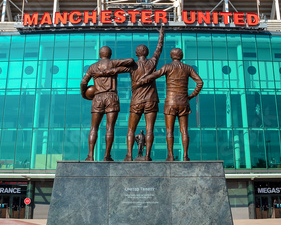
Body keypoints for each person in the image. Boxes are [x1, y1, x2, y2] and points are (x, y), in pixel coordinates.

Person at [138, 46, 203, 161]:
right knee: (184, 130)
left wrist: (143, 79)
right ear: (181, 56)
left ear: (171, 56)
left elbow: (156, 74)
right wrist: (191, 96)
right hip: (183, 102)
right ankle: (185, 156)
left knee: (169, 130)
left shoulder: (167, 67)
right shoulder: (188, 68)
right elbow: (200, 82)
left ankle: (171, 156)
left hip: (171, 102)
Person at [80, 46, 135, 161]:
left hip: (98, 97)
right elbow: (130, 60)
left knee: (93, 128)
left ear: (100, 55)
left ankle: (90, 156)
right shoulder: (113, 63)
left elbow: (83, 82)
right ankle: (107, 156)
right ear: (109, 54)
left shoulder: (93, 67)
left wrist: (84, 95)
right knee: (110, 127)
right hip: (111, 96)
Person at [124, 25, 165, 162]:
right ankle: (147, 156)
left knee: (131, 129)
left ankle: (129, 156)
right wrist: (161, 35)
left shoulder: (132, 66)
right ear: (147, 53)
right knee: (149, 130)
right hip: (151, 100)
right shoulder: (152, 62)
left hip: (136, 100)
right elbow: (158, 50)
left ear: (136, 53)